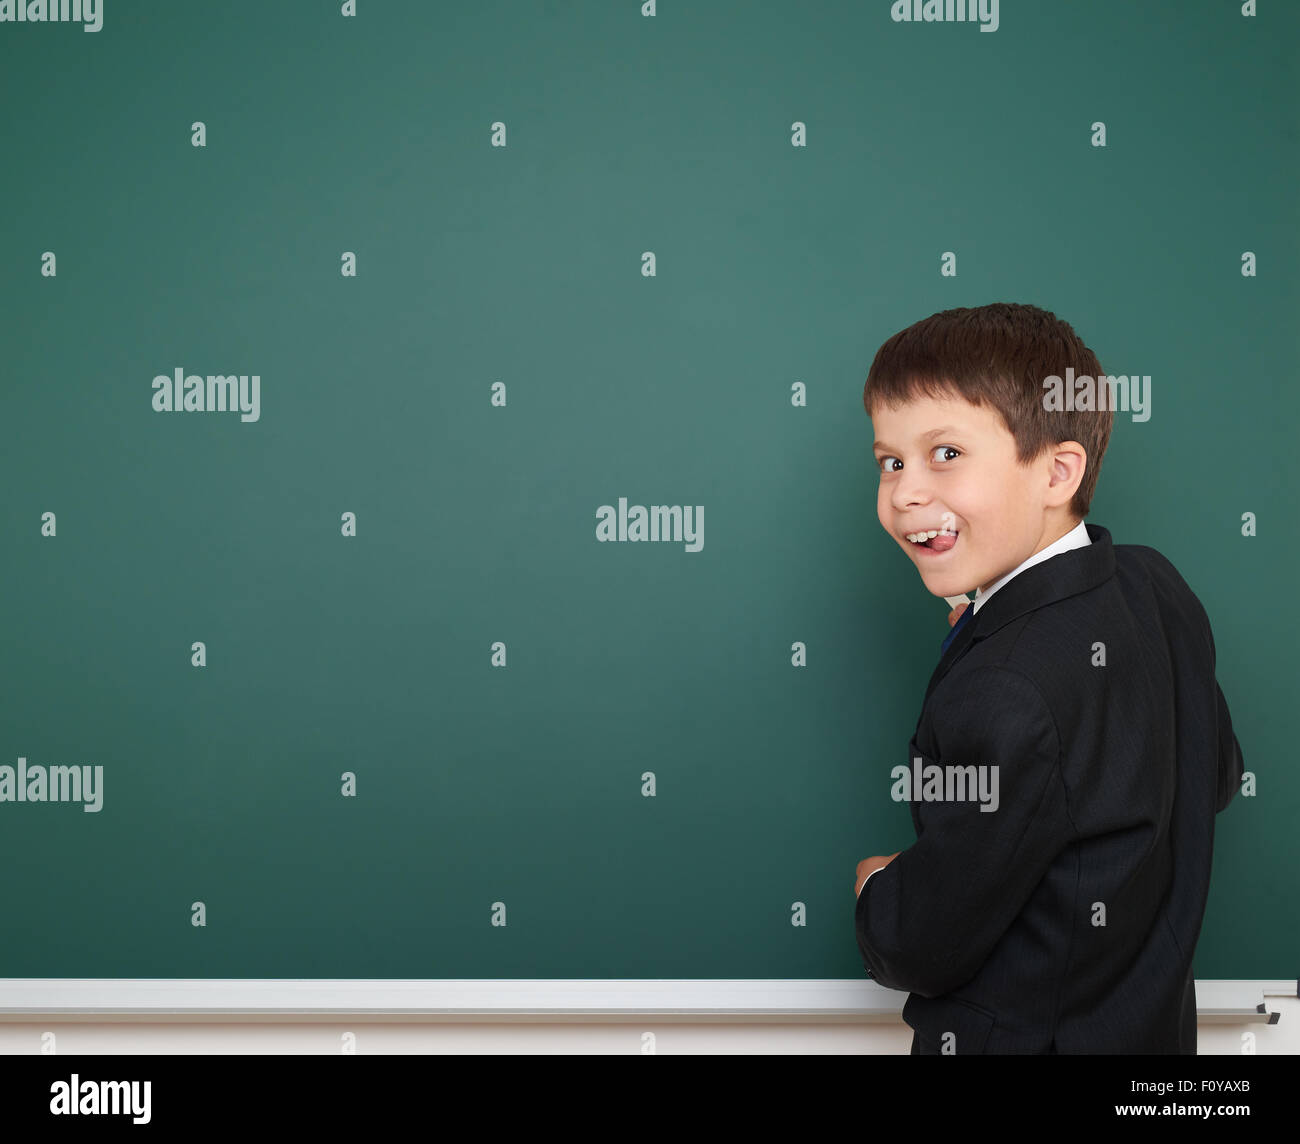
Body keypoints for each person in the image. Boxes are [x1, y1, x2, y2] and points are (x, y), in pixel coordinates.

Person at [853, 302, 1243, 1053]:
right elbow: (1212, 774)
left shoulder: (1003, 687)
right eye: (890, 461)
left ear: (1058, 471)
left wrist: (877, 889)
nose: (904, 493)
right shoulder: (1152, 586)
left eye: (945, 455)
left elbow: (922, 942)